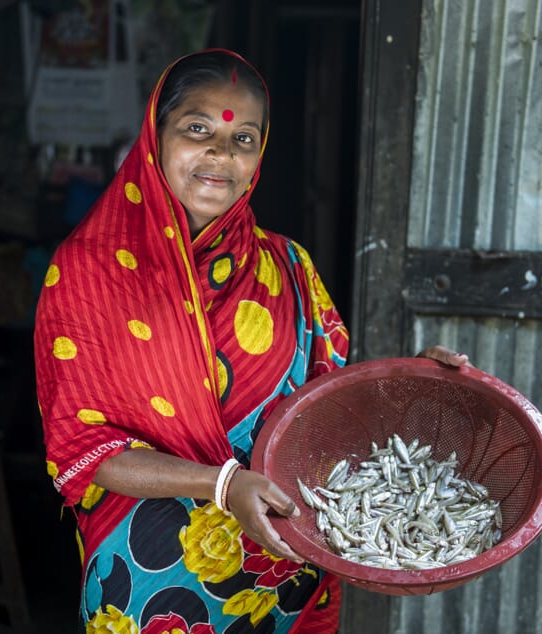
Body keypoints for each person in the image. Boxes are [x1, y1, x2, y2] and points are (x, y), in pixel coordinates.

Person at [33, 48, 470, 632]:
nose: (220, 153)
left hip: (281, 578)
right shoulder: (89, 272)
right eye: (197, 129)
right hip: (149, 581)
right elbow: (83, 449)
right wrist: (222, 483)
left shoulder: (286, 265)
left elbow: (331, 411)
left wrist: (410, 380)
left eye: (244, 139)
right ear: (154, 136)